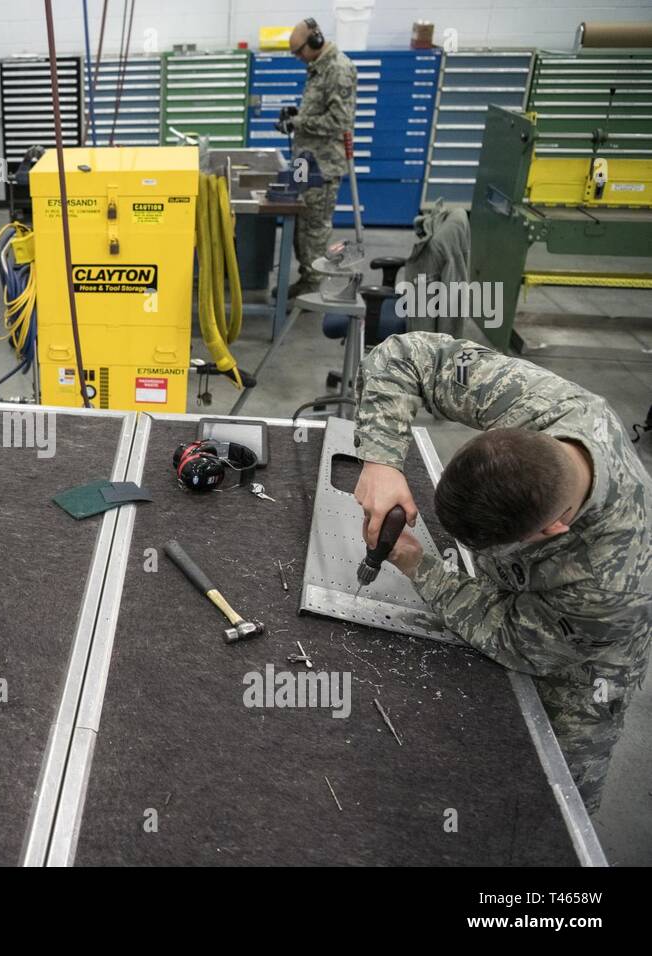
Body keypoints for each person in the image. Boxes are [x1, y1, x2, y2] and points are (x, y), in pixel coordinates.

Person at [353, 332, 652, 812]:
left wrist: (419, 566)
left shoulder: (611, 587)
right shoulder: (535, 403)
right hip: (537, 590)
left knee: (548, 802)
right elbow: (405, 355)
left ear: (551, 530)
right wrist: (382, 460)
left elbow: (516, 637)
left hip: (580, 663)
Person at [277, 17, 358, 298]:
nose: (298, 57)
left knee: (315, 227)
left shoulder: (338, 69)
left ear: (315, 42)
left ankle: (314, 285)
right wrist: (296, 117)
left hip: (322, 166)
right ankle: (307, 277)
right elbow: (317, 112)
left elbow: (339, 121)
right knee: (300, 222)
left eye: (299, 51)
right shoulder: (317, 68)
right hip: (305, 161)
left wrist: (300, 122)